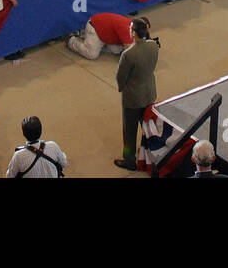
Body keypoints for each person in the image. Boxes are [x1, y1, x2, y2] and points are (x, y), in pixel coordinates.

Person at [113, 17, 160, 171]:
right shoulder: (153, 46)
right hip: (149, 93)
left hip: (133, 99)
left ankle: (129, 160)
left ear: (133, 33)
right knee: (148, 128)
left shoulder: (128, 54)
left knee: (129, 133)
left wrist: (122, 88)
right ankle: (154, 156)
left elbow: (121, 77)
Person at [68, 11, 135, 60]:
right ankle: (71, 40)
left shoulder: (134, 26)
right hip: (94, 27)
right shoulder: (126, 29)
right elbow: (128, 55)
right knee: (92, 54)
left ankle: (89, 39)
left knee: (117, 50)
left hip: (105, 31)